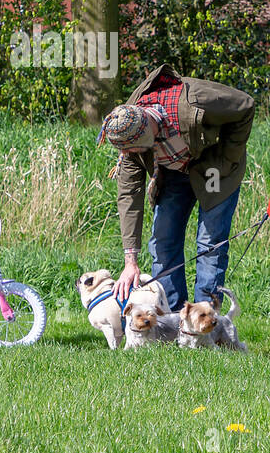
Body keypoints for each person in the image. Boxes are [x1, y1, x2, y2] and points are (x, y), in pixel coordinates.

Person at [98, 64, 255, 309]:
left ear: (147, 132)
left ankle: (205, 319)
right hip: (171, 173)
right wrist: (131, 260)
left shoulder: (195, 102)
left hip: (213, 171)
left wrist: (226, 160)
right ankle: (171, 318)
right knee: (162, 242)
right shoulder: (128, 136)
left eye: (135, 150)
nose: (129, 155)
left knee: (209, 244)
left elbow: (245, 105)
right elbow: (129, 196)